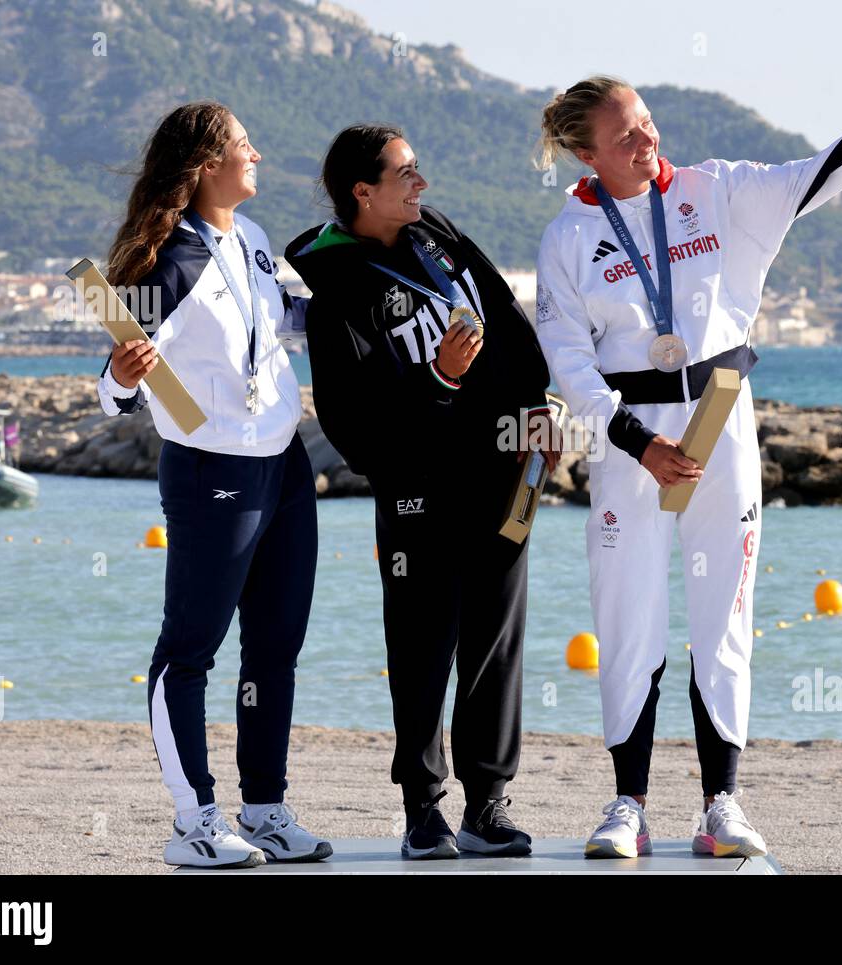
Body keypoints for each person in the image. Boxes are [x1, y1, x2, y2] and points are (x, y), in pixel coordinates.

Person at [534, 61, 842, 858]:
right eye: (624, 136)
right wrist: (636, 441)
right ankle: (628, 804)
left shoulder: (717, 191)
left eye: (646, 121)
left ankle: (721, 803)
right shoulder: (568, 237)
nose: (646, 139)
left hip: (721, 420)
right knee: (626, 617)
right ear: (588, 156)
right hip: (631, 439)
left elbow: (815, 177)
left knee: (725, 615)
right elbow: (568, 360)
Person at [285, 124, 555, 859]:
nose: (421, 183)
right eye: (405, 173)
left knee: (496, 640)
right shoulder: (336, 288)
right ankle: (423, 808)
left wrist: (535, 403)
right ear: (362, 191)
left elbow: (501, 310)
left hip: (502, 468)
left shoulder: (434, 231)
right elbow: (350, 421)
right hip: (417, 488)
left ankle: (487, 804)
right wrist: (438, 378)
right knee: (421, 646)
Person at [97, 101, 331, 868]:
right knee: (189, 649)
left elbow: (280, 322)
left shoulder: (252, 239)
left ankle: (263, 809)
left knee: (276, 646)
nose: (256, 154)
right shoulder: (167, 258)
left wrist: (344, 305)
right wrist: (122, 376)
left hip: (284, 463)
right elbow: (115, 386)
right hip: (213, 471)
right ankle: (193, 820)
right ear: (206, 166)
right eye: (243, 145)